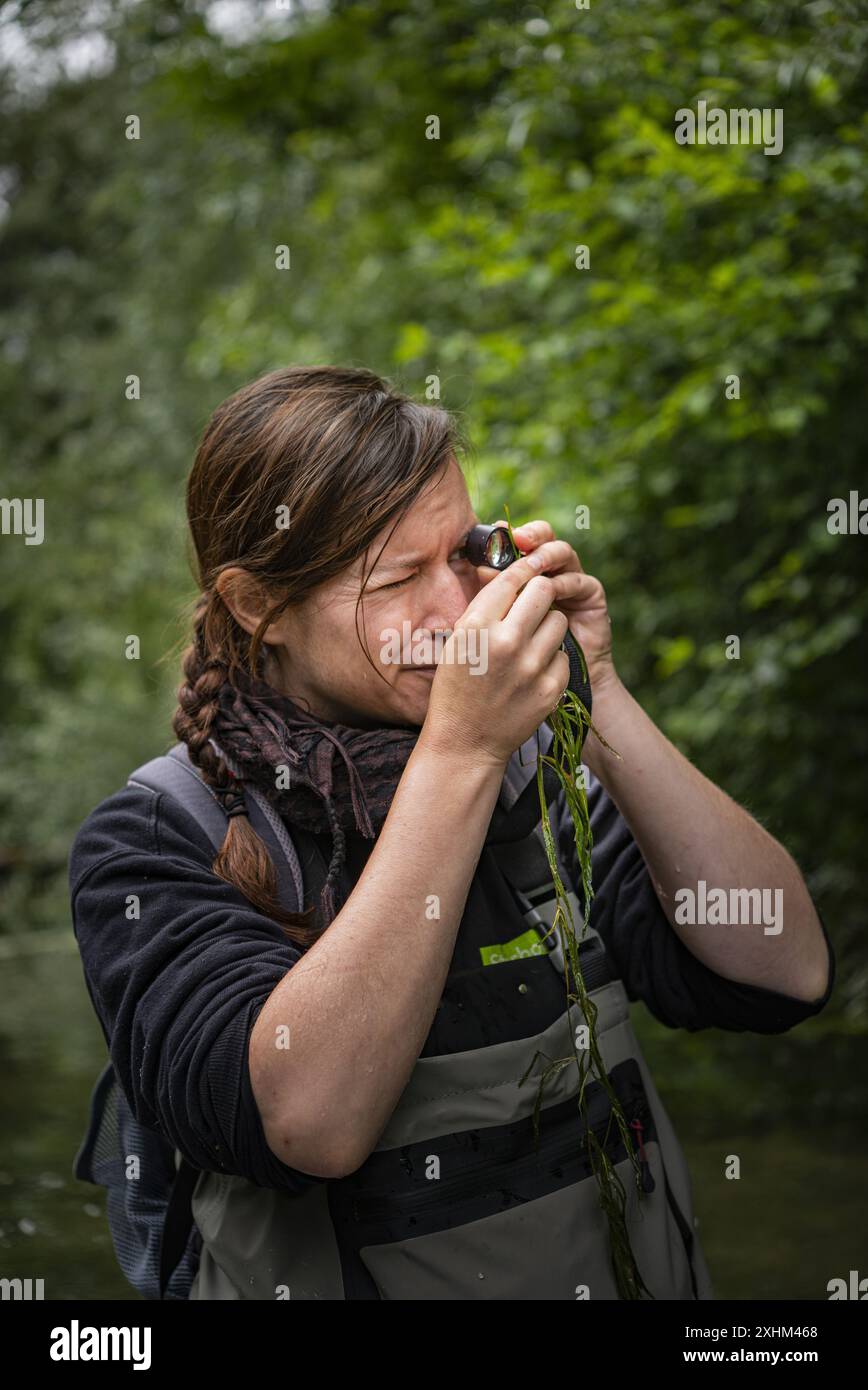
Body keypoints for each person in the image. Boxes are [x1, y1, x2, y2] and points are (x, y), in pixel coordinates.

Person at [69, 365, 834, 1300]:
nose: (456, 611)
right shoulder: (152, 840)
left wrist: (602, 697)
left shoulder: (536, 781)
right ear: (254, 604)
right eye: (397, 577)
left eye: (462, 555)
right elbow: (310, 1124)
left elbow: (783, 969)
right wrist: (462, 751)